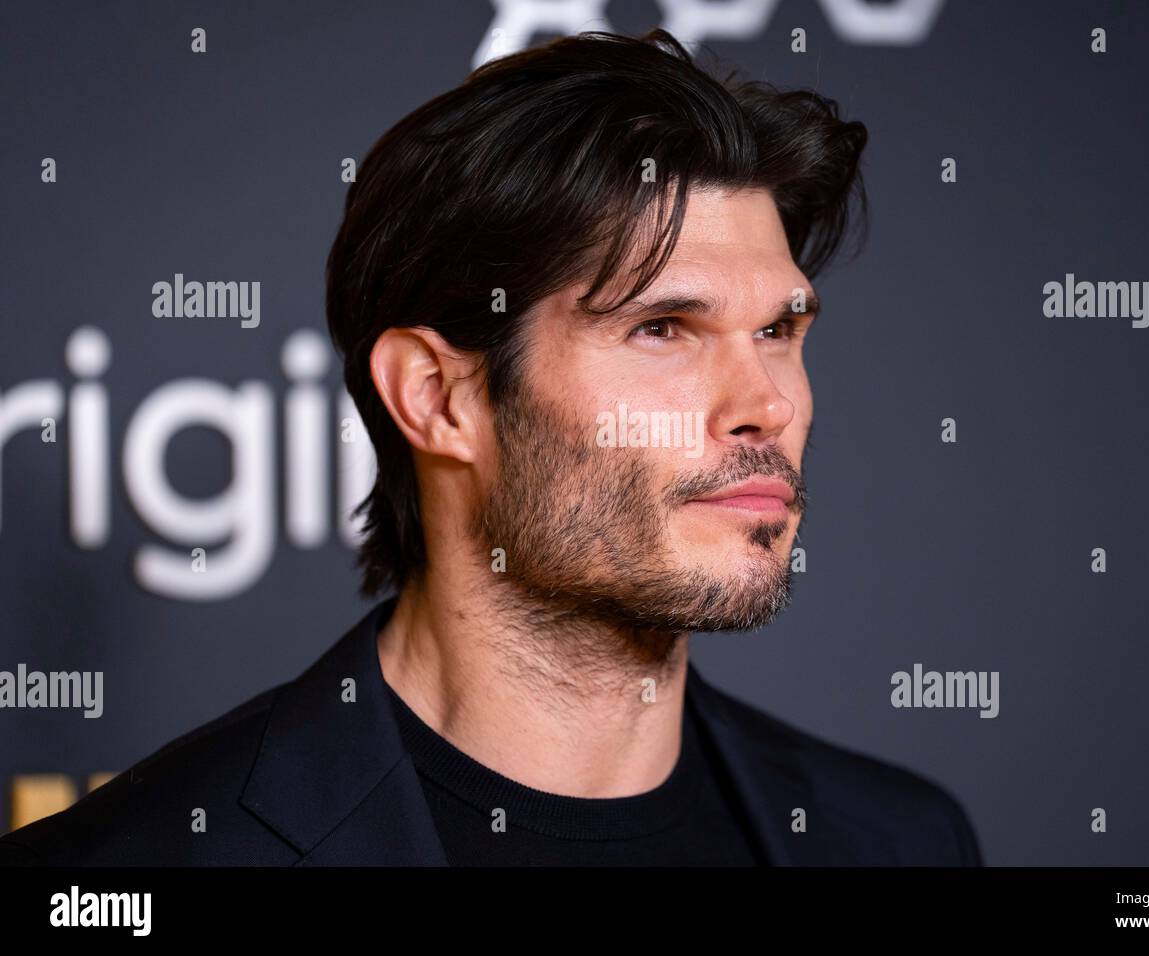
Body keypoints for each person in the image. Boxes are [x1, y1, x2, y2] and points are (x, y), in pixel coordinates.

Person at [0, 28, 981, 867]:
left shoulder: (895, 839)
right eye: (662, 328)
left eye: (779, 330)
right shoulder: (133, 866)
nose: (765, 402)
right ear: (437, 397)